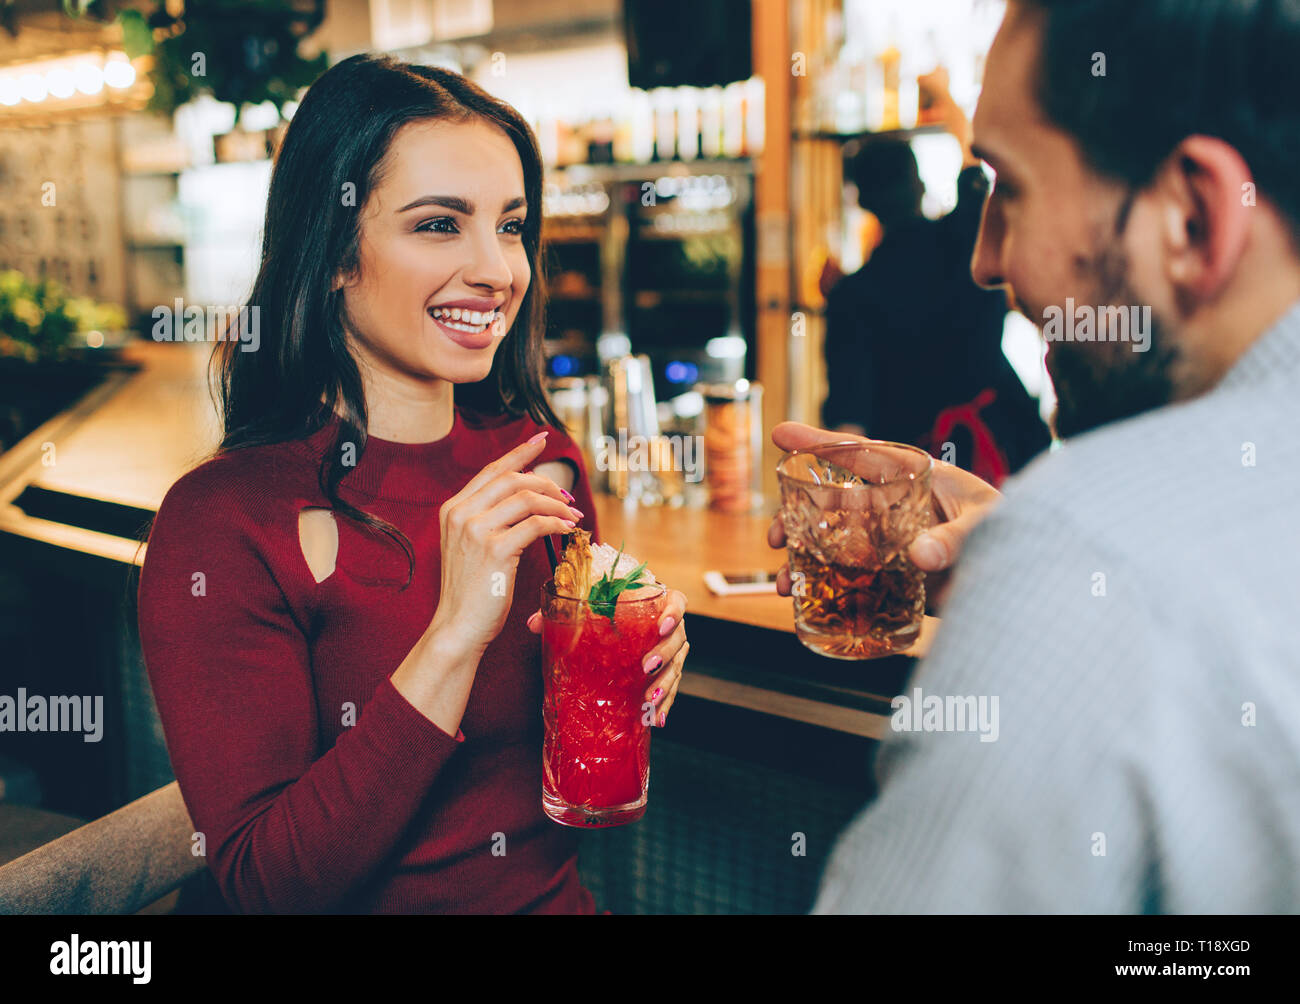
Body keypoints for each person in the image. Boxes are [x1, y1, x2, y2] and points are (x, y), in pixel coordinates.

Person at [772, 0, 1300, 912]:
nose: (984, 260)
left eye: (1008, 188)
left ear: (1192, 219)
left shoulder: (1093, 545)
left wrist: (1058, 561)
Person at [136, 54, 689, 914]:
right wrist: (454, 636)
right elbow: (268, 884)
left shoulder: (541, 460)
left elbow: (560, 803)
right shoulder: (223, 523)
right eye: (439, 225)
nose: (497, 270)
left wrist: (634, 653)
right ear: (331, 256)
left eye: (510, 226)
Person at [820, 71, 1051, 486]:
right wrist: (946, 98)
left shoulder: (853, 296)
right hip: (1010, 451)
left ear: (862, 202)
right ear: (921, 184)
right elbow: (975, 167)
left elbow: (848, 425)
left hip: (913, 482)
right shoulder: (967, 242)